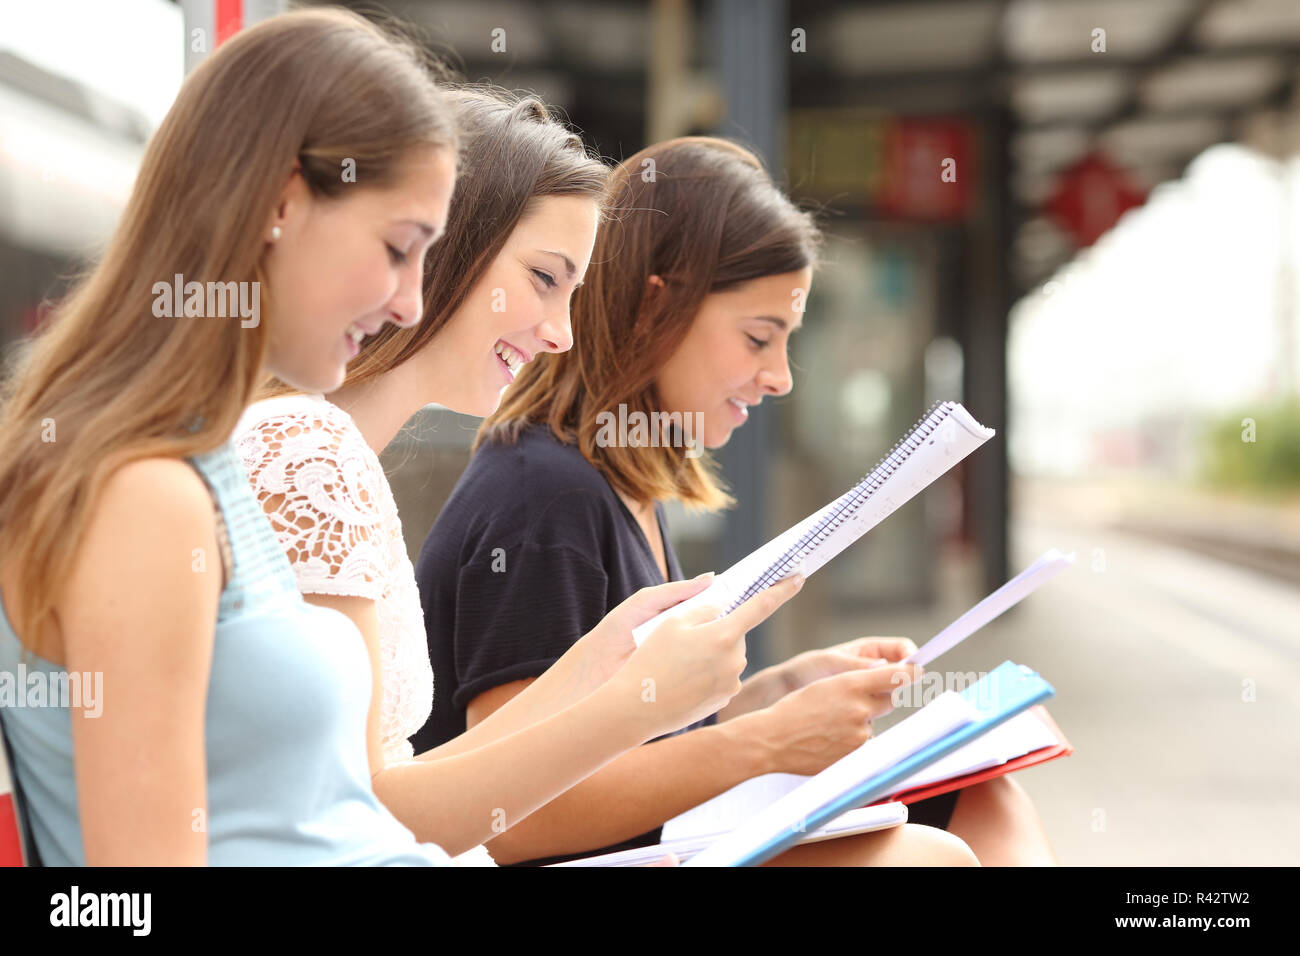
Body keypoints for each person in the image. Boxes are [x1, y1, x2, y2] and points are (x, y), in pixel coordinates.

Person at [0, 10, 757, 867]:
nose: (409, 298)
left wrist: (603, 675)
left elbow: (343, 805)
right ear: (283, 204)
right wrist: (638, 709)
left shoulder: (195, 472)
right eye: (400, 249)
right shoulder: (172, 488)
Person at [238, 91, 976, 867]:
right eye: (545, 278)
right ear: (443, 247)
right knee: (932, 853)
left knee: (960, 820)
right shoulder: (353, 458)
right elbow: (419, 820)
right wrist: (738, 735)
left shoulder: (344, 458)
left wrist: (633, 672)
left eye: (573, 291)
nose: (560, 331)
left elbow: (386, 790)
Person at [413, 136, 1053, 866]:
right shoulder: (542, 498)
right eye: (758, 338)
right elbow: (515, 819)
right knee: (926, 857)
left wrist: (774, 695)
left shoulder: (617, 487)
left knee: (986, 794)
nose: (779, 377)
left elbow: (627, 733)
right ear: (659, 306)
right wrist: (764, 743)